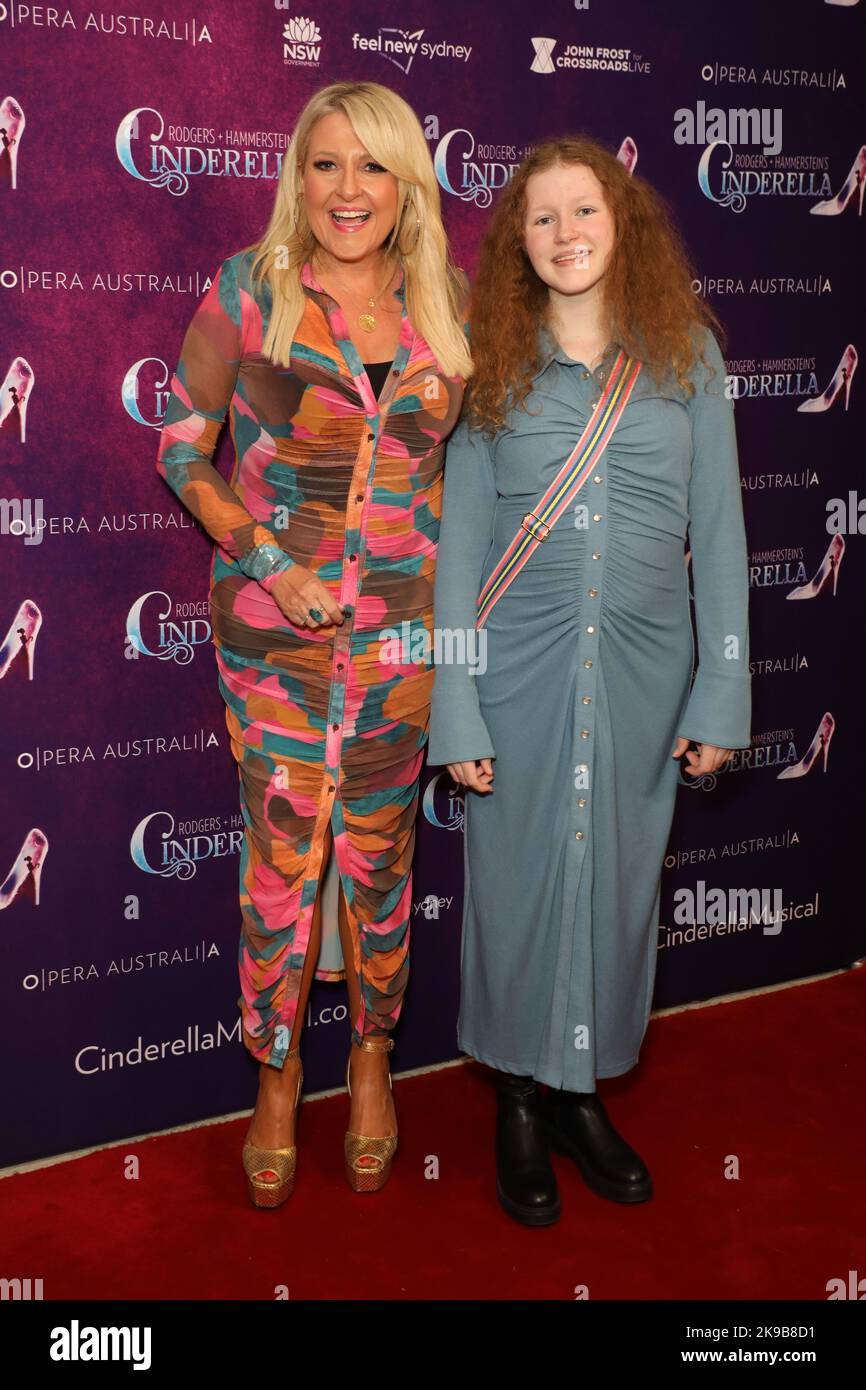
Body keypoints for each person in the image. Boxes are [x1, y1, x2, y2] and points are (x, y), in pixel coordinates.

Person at [156, 81, 471, 1206]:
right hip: (272, 638)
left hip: (396, 650)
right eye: (327, 164)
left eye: (373, 167)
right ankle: (276, 1078)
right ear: (301, 175)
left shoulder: (448, 307)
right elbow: (181, 449)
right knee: (284, 864)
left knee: (381, 861)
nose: (349, 190)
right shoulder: (250, 292)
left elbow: (476, 485)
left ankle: (373, 1060)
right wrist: (270, 562)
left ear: (405, 185)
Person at [427, 135, 751, 1226]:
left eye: (585, 213)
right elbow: (456, 552)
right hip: (511, 676)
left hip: (643, 677)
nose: (566, 235)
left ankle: (577, 1096)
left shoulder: (687, 358)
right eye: (543, 218)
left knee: (615, 891)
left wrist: (721, 692)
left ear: (623, 228)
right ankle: (516, 1099)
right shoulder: (488, 363)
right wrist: (453, 701)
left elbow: (721, 533)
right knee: (514, 892)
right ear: (516, 243)